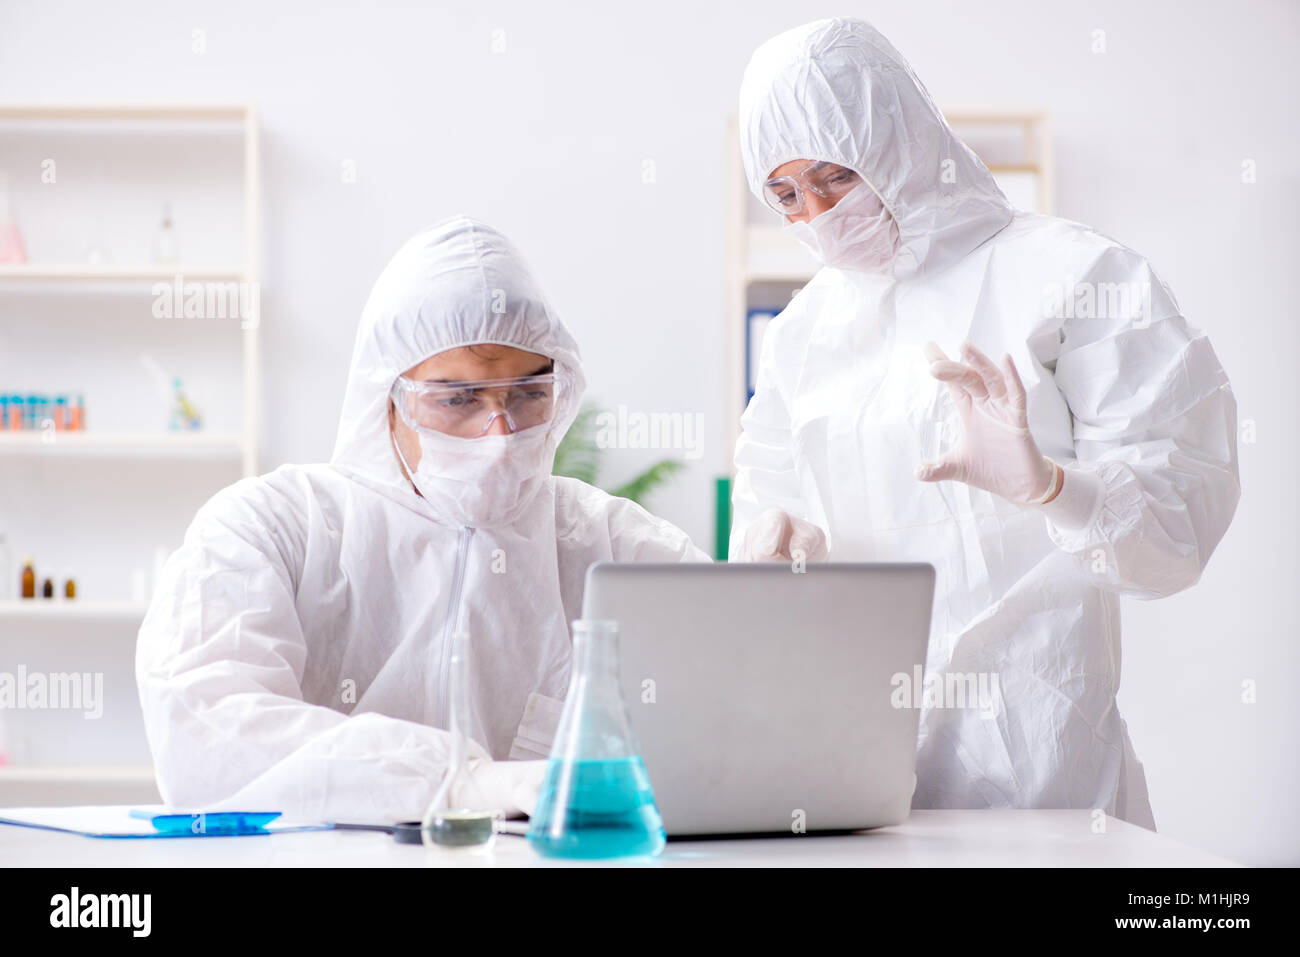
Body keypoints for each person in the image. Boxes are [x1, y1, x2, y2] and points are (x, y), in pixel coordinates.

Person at [730, 18, 1240, 828]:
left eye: (834, 175)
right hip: (855, 786)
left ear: (899, 135)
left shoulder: (1074, 275)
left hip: (1053, 779)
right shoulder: (802, 332)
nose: (818, 214)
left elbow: (1176, 538)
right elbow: (768, 493)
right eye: (787, 195)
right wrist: (775, 536)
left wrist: (1055, 489)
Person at [136, 217, 709, 823]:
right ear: (387, 399)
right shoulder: (272, 528)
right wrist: (457, 782)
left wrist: (784, 583)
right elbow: (206, 729)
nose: (499, 432)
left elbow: (741, 695)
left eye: (526, 394)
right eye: (457, 399)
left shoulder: (607, 540)